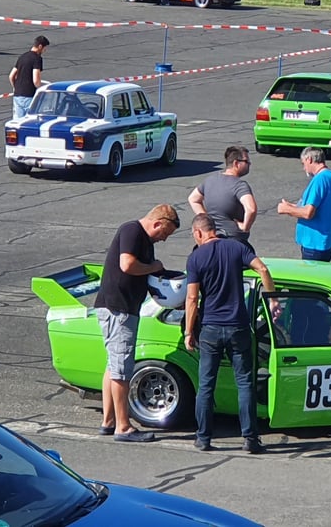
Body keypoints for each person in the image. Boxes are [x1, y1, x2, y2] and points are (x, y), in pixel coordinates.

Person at [184, 213, 274, 453]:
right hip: (239, 326)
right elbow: (263, 269)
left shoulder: (195, 258)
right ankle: (250, 440)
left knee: (206, 385)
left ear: (199, 233)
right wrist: (272, 300)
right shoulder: (236, 248)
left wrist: (188, 331)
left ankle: (203, 438)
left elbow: (192, 298)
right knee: (244, 383)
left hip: (211, 329)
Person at [95, 204, 180, 442]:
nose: (163, 239)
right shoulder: (133, 231)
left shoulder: (143, 239)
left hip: (120, 308)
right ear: (157, 223)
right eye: (165, 233)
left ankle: (109, 421)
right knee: (121, 369)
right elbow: (127, 265)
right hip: (118, 308)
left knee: (113, 366)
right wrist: (155, 266)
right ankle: (124, 427)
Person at [277, 147, 331, 261]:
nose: (304, 168)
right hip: (326, 241)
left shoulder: (319, 180)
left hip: (314, 243)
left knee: (312, 276)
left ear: (309, 159)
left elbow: (308, 213)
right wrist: (291, 206)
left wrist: (285, 210)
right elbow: (320, 207)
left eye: (303, 163)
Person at [188, 146, 256, 244]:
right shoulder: (239, 185)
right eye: (246, 161)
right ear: (236, 163)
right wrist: (245, 227)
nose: (249, 164)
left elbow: (193, 199)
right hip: (234, 241)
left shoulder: (210, 180)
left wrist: (207, 219)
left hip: (213, 238)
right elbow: (251, 209)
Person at [8, 35, 50, 119]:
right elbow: (36, 81)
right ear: (40, 46)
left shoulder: (22, 57)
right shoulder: (37, 59)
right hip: (29, 96)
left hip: (17, 95)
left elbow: (11, 75)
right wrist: (40, 91)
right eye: (45, 48)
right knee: (30, 122)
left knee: (17, 122)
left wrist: (15, 87)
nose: (45, 51)